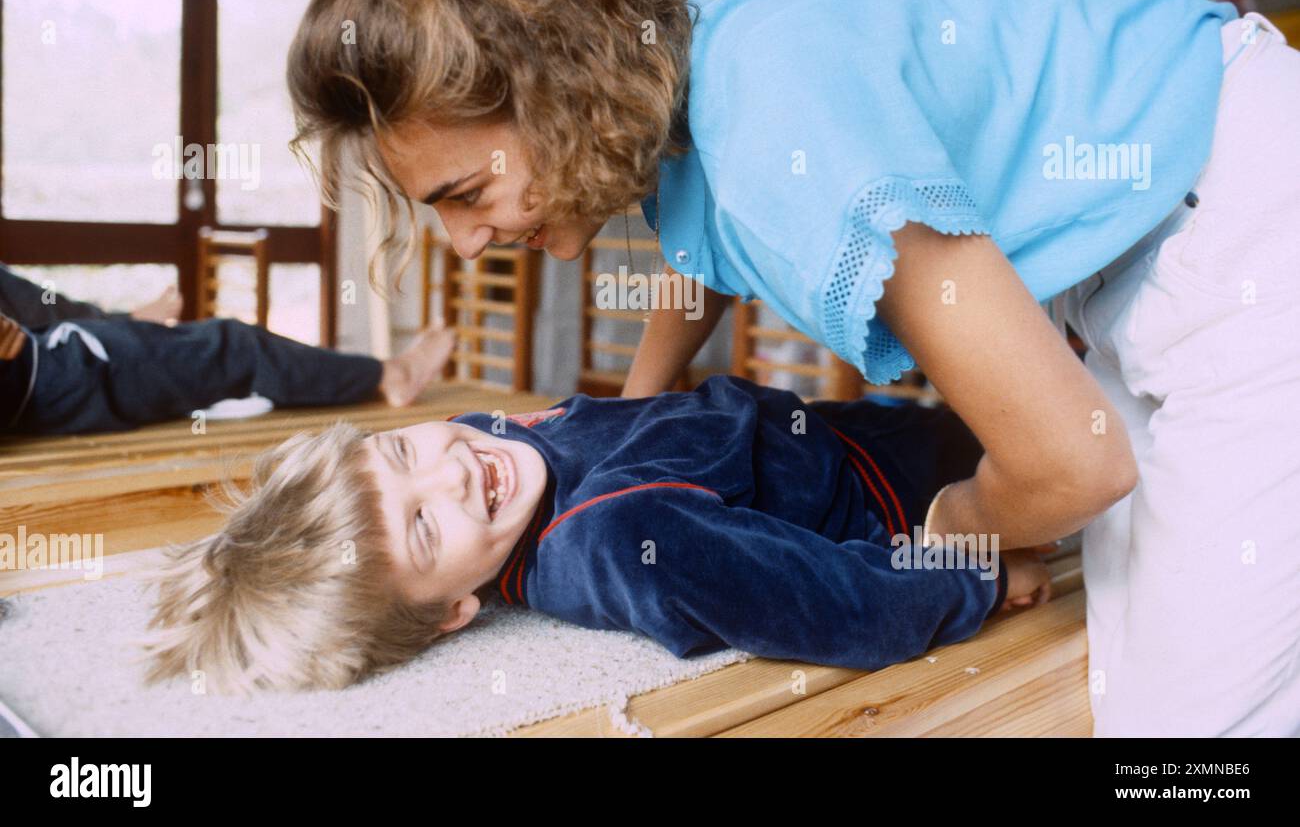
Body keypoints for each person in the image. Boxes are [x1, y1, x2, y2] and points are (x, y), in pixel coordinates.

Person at [283, 0, 1300, 736]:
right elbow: (702, 244)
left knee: (1181, 721)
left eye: (465, 196)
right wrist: (642, 413)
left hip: (1240, 210)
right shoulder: (686, 62)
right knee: (1120, 611)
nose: (465, 242)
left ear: (549, 93)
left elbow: (1072, 462)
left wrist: (955, 525)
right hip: (1147, 228)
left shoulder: (778, 127)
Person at [140, 373, 1055, 693]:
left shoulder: (483, 458)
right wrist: (969, 570)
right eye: (424, 527)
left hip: (852, 424)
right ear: (457, 610)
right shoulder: (616, 544)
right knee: (1110, 445)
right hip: (903, 491)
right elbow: (832, 605)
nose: (449, 469)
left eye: (399, 452)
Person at [0, 264, 455, 434]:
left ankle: (124, 323)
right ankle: (389, 375)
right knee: (234, 346)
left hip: (55, 356)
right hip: (66, 374)